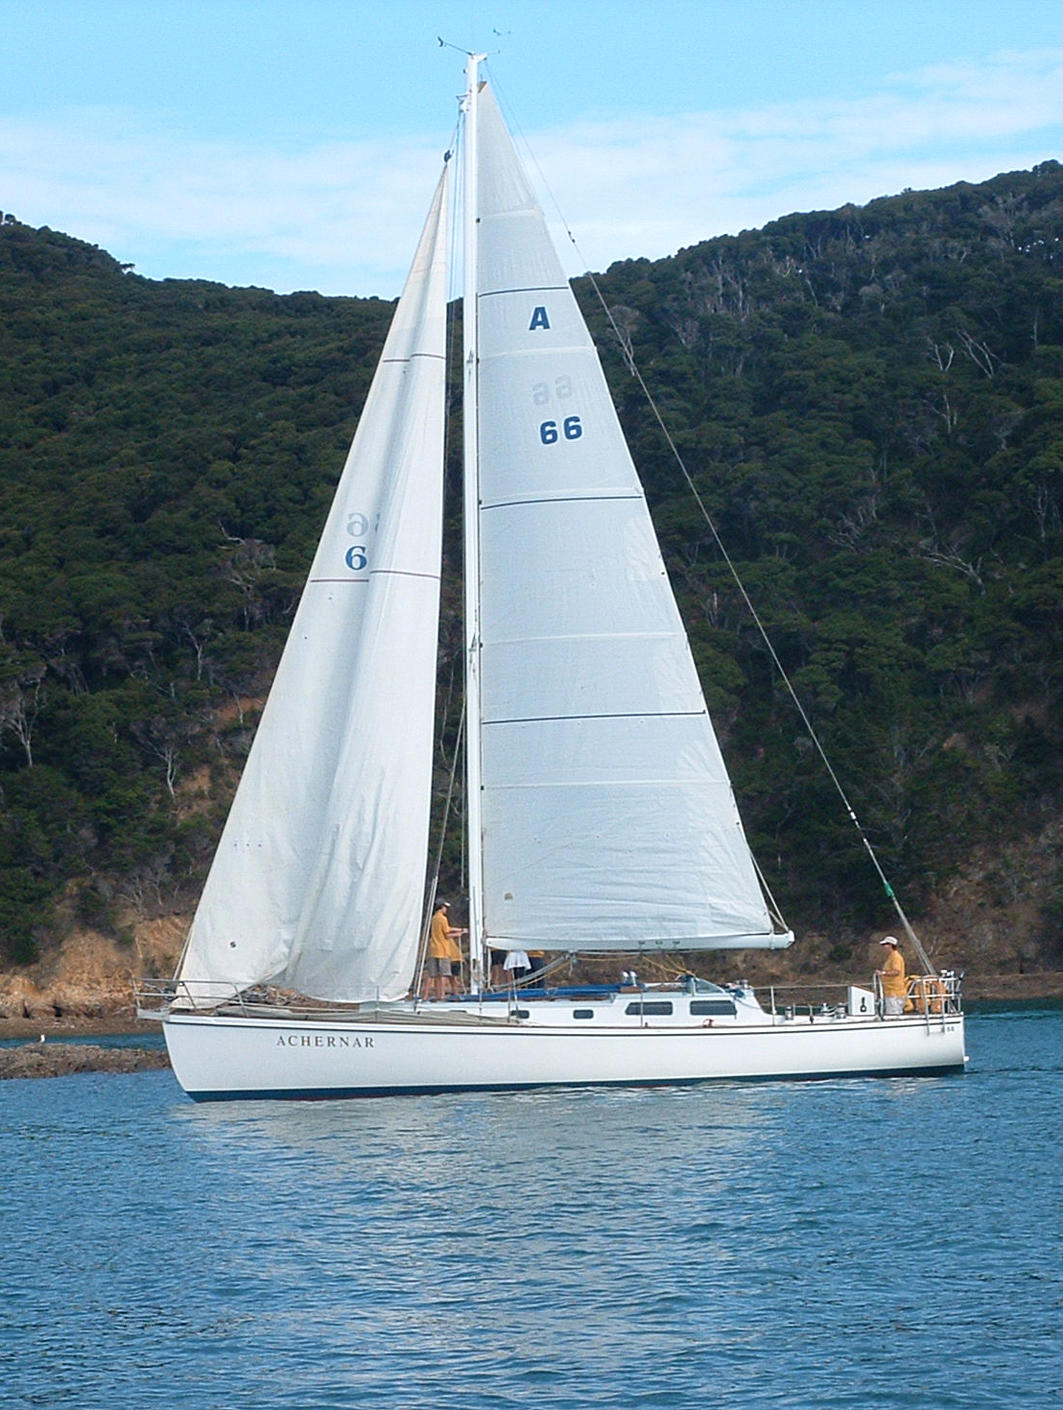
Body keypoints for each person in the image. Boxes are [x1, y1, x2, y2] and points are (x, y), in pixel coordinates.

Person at [423, 900, 466, 1001]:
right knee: (443, 975)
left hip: (433, 950)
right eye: (445, 907)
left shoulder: (434, 918)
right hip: (442, 950)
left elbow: (446, 928)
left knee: (432, 974)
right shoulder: (442, 918)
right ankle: (441, 996)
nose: (446, 909)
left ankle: (426, 996)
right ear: (441, 907)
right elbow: (446, 934)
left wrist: (459, 929)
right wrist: (458, 934)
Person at [875, 936, 907, 1016]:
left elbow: (896, 971)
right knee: (890, 1013)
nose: (883, 947)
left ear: (890, 945)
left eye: (885, 945)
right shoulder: (891, 957)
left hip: (895, 993)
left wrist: (883, 973)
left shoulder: (896, 957)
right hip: (889, 992)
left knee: (893, 1015)